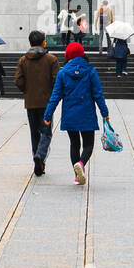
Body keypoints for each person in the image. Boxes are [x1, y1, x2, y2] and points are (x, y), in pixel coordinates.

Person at [44, 41, 109, 186]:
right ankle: (81, 163)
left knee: (74, 144)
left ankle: (76, 175)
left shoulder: (62, 72)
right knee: (88, 145)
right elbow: (98, 94)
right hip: (87, 113)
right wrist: (105, 112)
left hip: (70, 114)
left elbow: (55, 96)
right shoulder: (91, 71)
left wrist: (48, 115)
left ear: (68, 56)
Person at [15, 29, 61, 176]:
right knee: (46, 133)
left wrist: (27, 91)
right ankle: (40, 156)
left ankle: (38, 161)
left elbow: (18, 81)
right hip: (47, 103)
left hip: (30, 102)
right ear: (43, 42)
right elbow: (56, 81)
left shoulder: (23, 60)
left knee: (34, 133)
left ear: (30, 43)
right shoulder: (51, 60)